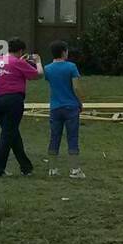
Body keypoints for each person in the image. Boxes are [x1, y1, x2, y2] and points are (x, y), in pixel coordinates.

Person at [0, 38, 42, 178]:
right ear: (20, 51)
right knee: (7, 135)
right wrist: (38, 62)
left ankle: (26, 167)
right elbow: (38, 75)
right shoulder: (18, 62)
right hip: (12, 100)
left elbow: (10, 68)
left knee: (12, 134)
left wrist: (22, 61)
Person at [42, 40, 85, 178]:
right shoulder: (71, 67)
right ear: (63, 51)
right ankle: (74, 169)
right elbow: (76, 87)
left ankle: (52, 169)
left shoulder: (47, 69)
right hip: (71, 107)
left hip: (55, 107)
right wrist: (80, 102)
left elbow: (52, 88)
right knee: (72, 137)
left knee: (54, 137)